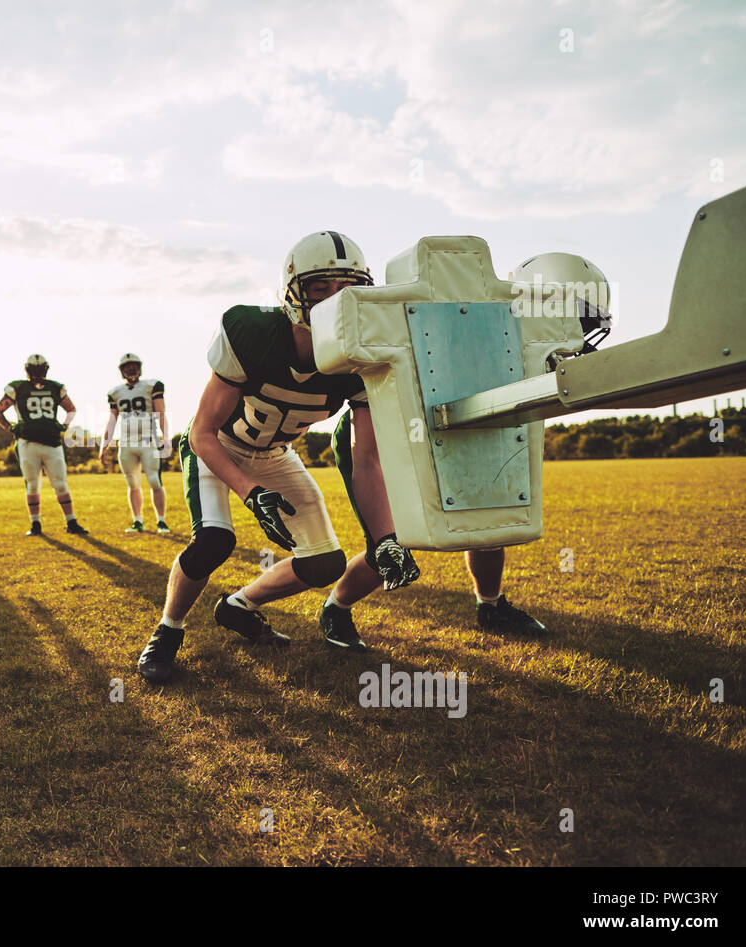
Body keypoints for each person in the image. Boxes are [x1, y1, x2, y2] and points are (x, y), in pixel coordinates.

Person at [137, 231, 417, 684]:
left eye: (346, 288)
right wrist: (251, 494)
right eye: (319, 288)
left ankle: (238, 605)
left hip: (274, 452)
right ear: (293, 293)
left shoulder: (365, 357)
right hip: (219, 446)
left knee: (324, 563)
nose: (332, 300)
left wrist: (385, 537)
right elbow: (202, 432)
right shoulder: (253, 332)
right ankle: (167, 632)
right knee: (214, 541)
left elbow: (366, 460)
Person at [321, 251, 612, 644]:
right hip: (379, 425)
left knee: (489, 520)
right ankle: (335, 609)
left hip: (460, 421)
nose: (577, 335)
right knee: (392, 545)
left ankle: (490, 606)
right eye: (577, 320)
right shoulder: (471, 319)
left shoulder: (512, 330)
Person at [0, 354, 89, 536]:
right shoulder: (27, 387)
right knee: (37, 484)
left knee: (53, 483)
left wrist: (9, 427)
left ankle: (67, 522)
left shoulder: (35, 387)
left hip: (43, 442)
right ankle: (40, 524)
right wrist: (10, 427)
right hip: (31, 442)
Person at [100, 352, 171, 533]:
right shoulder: (115, 392)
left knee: (154, 480)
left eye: (134, 367)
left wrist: (166, 437)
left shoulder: (151, 386)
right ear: (122, 371)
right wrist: (104, 444)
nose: (131, 370)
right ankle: (138, 520)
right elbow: (112, 420)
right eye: (127, 367)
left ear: (139, 368)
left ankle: (161, 521)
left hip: (148, 439)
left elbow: (160, 413)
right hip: (126, 442)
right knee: (132, 483)